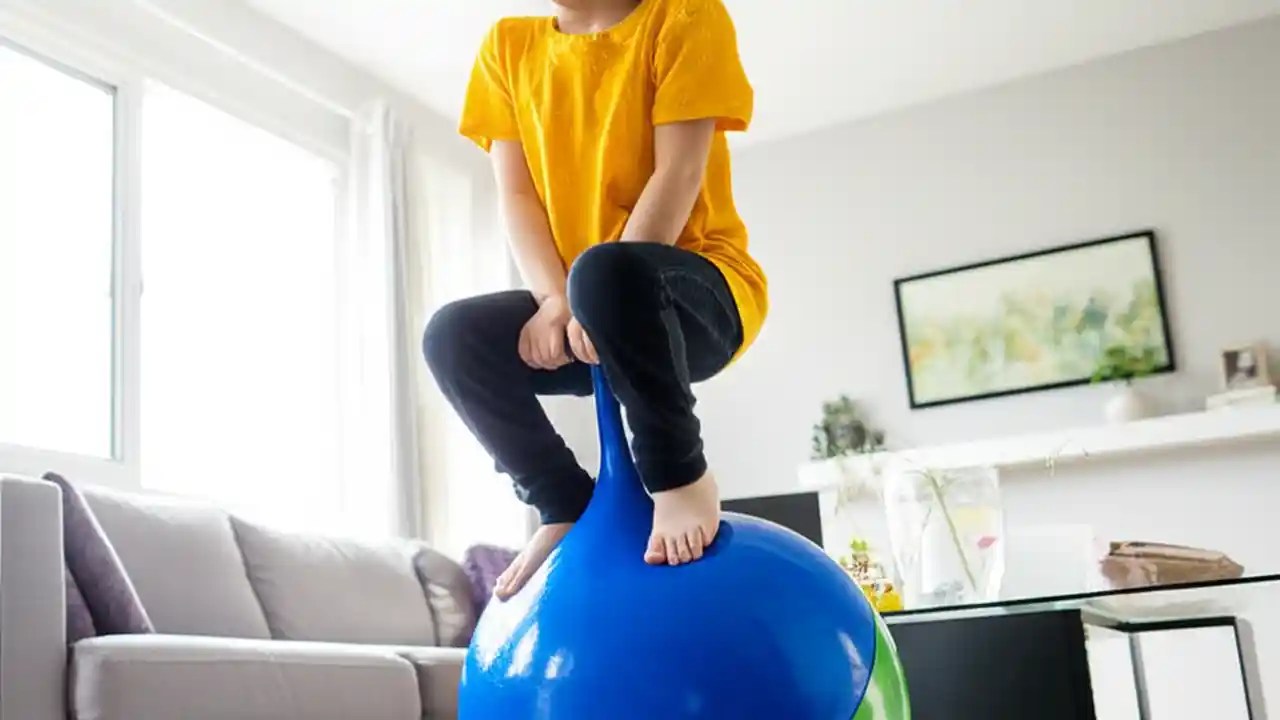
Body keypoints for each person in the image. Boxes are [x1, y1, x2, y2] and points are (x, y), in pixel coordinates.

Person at [423, 0, 766, 599]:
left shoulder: (684, 16)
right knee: (453, 335)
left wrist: (588, 297)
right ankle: (562, 502)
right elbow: (517, 196)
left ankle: (680, 474)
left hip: (691, 297)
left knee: (606, 272)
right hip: (582, 303)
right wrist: (554, 300)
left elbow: (679, 174)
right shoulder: (507, 47)